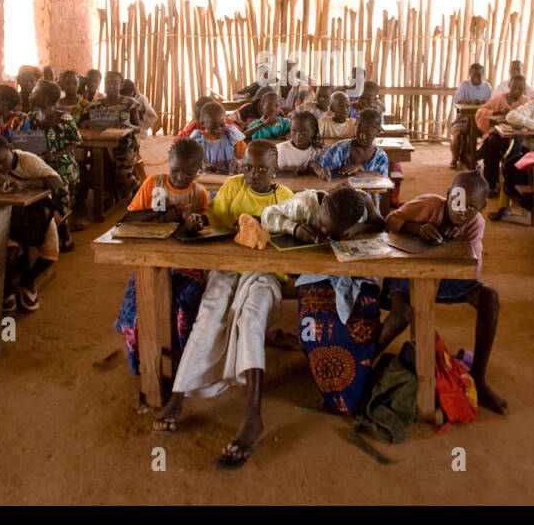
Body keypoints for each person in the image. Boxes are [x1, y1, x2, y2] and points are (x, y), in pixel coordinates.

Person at [153, 141, 294, 468]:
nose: (254, 174)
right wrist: (200, 222)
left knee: (251, 320)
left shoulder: (284, 198)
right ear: (240, 166)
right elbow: (212, 220)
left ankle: (253, 415)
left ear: (276, 169)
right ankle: (178, 396)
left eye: (262, 169)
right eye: (248, 167)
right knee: (209, 314)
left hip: (264, 276)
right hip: (226, 269)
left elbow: (290, 237)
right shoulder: (232, 188)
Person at [378, 172, 506, 413]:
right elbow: (391, 219)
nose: (461, 211)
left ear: (482, 208)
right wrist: (417, 228)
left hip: (447, 279)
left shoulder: (476, 224)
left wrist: (461, 245)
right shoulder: (428, 204)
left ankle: (478, 377)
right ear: (448, 195)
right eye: (457, 201)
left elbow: (472, 270)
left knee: (490, 298)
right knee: (401, 316)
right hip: (406, 273)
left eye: (471, 208)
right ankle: (363, 363)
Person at [261, 185, 387, 414]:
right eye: (322, 224)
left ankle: (352, 390)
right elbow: (267, 215)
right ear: (322, 207)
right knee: (316, 328)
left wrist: (360, 227)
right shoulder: (305, 204)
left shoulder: (363, 203)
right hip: (314, 274)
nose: (324, 232)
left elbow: (380, 223)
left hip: (353, 272)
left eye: (333, 232)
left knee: (362, 324)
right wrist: (295, 227)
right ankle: (332, 389)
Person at [114, 138, 211, 381]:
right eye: (175, 170)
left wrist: (193, 222)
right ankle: (143, 360)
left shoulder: (199, 194)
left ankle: (182, 363)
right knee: (138, 303)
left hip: (186, 264)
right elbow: (128, 220)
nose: (180, 177)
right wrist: (156, 215)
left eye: (188, 173)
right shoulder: (152, 184)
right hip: (152, 259)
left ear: (199, 169)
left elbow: (207, 228)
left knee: (186, 304)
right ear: (168, 162)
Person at [0, 133, 64, 312]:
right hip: (7, 219)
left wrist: (25, 185)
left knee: (51, 254)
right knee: (6, 252)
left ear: (10, 148)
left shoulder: (28, 161)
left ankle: (28, 280)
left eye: (1, 161)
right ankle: (7, 289)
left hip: (37, 213)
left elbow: (56, 182)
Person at [27, 78, 82, 252]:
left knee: (59, 193)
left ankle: (65, 234)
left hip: (62, 165)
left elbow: (77, 140)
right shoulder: (31, 118)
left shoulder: (63, 117)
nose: (31, 94)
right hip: (38, 164)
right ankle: (42, 233)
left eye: (35, 92)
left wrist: (56, 154)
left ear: (44, 98)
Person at [474, 74, 531, 197]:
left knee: (521, 153)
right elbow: (480, 112)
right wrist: (497, 112)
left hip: (517, 137)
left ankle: (511, 186)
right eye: (514, 87)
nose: (516, 91)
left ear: (524, 89)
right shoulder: (499, 98)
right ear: (509, 85)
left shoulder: (526, 102)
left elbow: (531, 119)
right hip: (498, 134)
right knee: (492, 146)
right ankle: (491, 184)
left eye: (520, 89)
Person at [312, 109, 388, 179]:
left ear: (378, 132)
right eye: (359, 131)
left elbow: (383, 181)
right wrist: (319, 170)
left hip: (369, 194)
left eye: (367, 133)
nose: (361, 136)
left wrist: (362, 171)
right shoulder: (341, 148)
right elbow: (315, 163)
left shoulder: (380, 157)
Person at [450, 62, 493, 170]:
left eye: (479, 76)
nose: (476, 79)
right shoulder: (464, 85)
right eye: (474, 76)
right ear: (469, 74)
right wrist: (472, 102)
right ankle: (454, 158)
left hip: (481, 121)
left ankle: (476, 156)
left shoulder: (487, 87)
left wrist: (484, 104)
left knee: (490, 137)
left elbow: (491, 104)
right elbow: (458, 100)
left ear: (483, 76)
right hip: (463, 120)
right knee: (456, 137)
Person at [189, 100, 247, 174]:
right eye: (212, 127)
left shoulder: (231, 136)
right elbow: (190, 162)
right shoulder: (198, 140)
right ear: (202, 124)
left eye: (222, 125)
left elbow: (247, 158)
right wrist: (202, 165)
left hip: (228, 178)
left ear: (226, 120)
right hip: (207, 179)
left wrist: (239, 162)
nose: (218, 130)